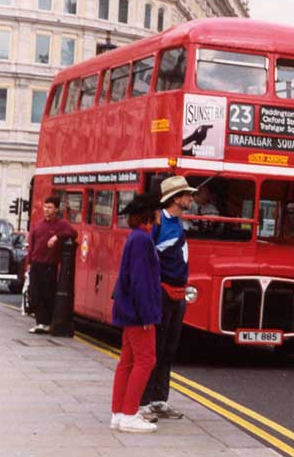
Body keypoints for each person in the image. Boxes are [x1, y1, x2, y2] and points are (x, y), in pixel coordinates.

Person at [139, 175, 196, 420]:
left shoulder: (178, 223)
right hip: (162, 291)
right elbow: (145, 259)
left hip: (178, 293)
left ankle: (160, 400)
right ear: (176, 198)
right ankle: (144, 402)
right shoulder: (159, 222)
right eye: (187, 195)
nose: (191, 198)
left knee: (170, 349)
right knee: (155, 348)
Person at [110, 192, 162, 434]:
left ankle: (119, 413)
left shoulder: (136, 237)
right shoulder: (142, 240)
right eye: (157, 211)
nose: (160, 214)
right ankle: (130, 414)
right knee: (145, 360)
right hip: (138, 312)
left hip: (128, 309)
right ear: (149, 215)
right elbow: (141, 281)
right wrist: (147, 315)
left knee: (127, 361)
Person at [25, 195, 76, 334]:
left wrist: (56, 237)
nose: (46, 210)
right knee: (34, 294)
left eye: (50, 207)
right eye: (45, 207)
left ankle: (46, 323)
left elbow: (73, 232)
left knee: (48, 294)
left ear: (56, 209)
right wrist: (28, 263)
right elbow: (31, 245)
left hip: (49, 265)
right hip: (36, 263)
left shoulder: (61, 224)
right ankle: (42, 322)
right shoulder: (38, 225)